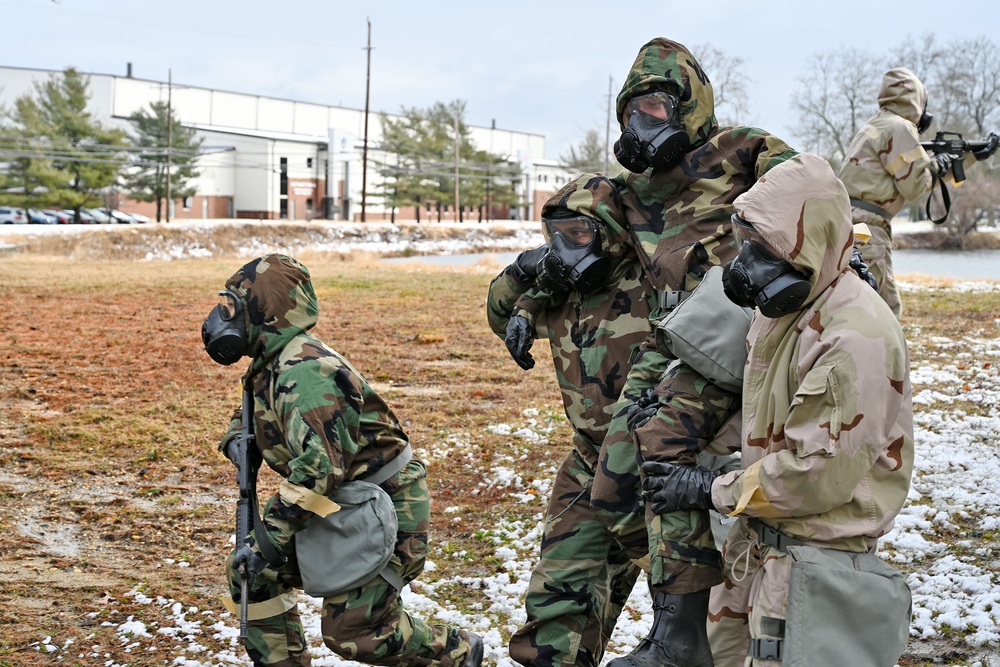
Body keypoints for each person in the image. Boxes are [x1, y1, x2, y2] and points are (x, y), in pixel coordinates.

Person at [642, 153, 915, 667]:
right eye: (745, 246)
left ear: (808, 246)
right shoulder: (785, 310)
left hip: (813, 566)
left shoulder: (853, 338)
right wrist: (680, 434)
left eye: (763, 250)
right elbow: (762, 417)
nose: (746, 265)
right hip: (756, 551)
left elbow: (816, 473)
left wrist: (708, 489)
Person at [586, 37, 797, 667]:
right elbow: (575, 229)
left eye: (657, 108)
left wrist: (854, 254)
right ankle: (686, 606)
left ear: (691, 106)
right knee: (611, 486)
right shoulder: (633, 190)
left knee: (661, 444)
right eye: (634, 112)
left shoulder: (745, 149)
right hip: (673, 339)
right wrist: (521, 283)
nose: (644, 123)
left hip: (740, 326)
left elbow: (814, 200)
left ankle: (680, 638)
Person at [201, 253, 483, 667]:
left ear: (262, 311)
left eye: (231, 306)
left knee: (352, 633)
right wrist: (236, 441)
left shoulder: (305, 372)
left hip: (383, 506)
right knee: (252, 575)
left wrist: (269, 539)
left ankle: (456, 652)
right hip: (338, 502)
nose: (220, 316)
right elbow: (258, 415)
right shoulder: (274, 362)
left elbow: (317, 472)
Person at [486, 173, 655, 667]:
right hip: (588, 463)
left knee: (699, 607)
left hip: (662, 468)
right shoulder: (558, 286)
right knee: (556, 606)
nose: (565, 246)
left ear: (608, 229)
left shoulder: (657, 278)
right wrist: (525, 271)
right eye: (554, 234)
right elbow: (499, 315)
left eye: (578, 234)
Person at [837, 66, 998, 319]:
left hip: (854, 224)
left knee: (862, 307)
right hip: (867, 229)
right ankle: (882, 359)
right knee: (882, 313)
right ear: (916, 100)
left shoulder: (877, 124)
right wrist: (937, 163)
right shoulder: (900, 128)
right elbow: (914, 186)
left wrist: (967, 158)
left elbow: (915, 179)